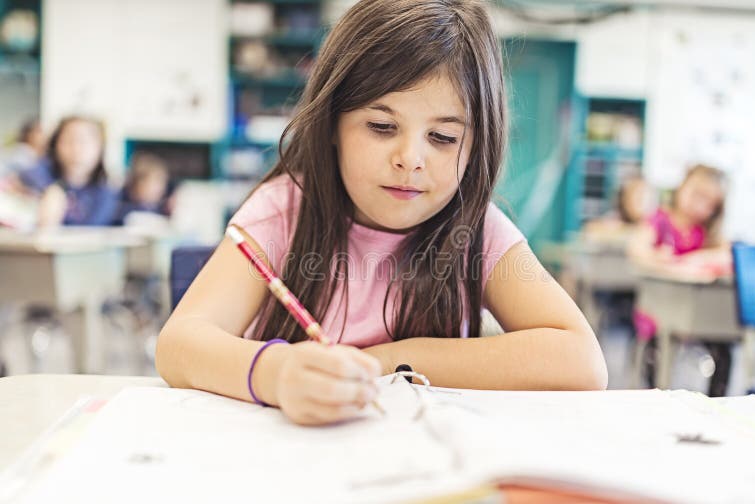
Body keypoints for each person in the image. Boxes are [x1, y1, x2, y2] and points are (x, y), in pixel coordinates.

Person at [156, 0, 607, 426]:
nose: (410, 158)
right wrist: (276, 372)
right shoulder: (283, 211)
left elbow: (582, 361)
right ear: (331, 124)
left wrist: (385, 362)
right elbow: (179, 345)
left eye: (443, 138)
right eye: (382, 127)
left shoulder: (476, 229)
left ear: (475, 146)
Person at [628, 164, 731, 395]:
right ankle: (654, 395)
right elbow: (637, 248)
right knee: (657, 350)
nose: (699, 205)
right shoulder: (661, 220)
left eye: (709, 202)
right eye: (696, 194)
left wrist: (698, 259)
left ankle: (714, 402)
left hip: (698, 315)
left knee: (723, 346)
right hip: (659, 311)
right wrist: (658, 258)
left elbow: (726, 255)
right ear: (682, 187)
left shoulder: (707, 233)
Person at [18, 116, 119, 227]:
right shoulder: (36, 176)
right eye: (69, 140)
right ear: (55, 144)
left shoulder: (106, 192)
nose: (77, 148)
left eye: (86, 141)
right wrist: (53, 191)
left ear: (100, 147)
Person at [114, 152, 174, 225]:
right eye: (154, 183)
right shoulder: (119, 208)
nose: (159, 189)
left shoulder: (160, 208)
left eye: (162, 183)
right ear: (137, 184)